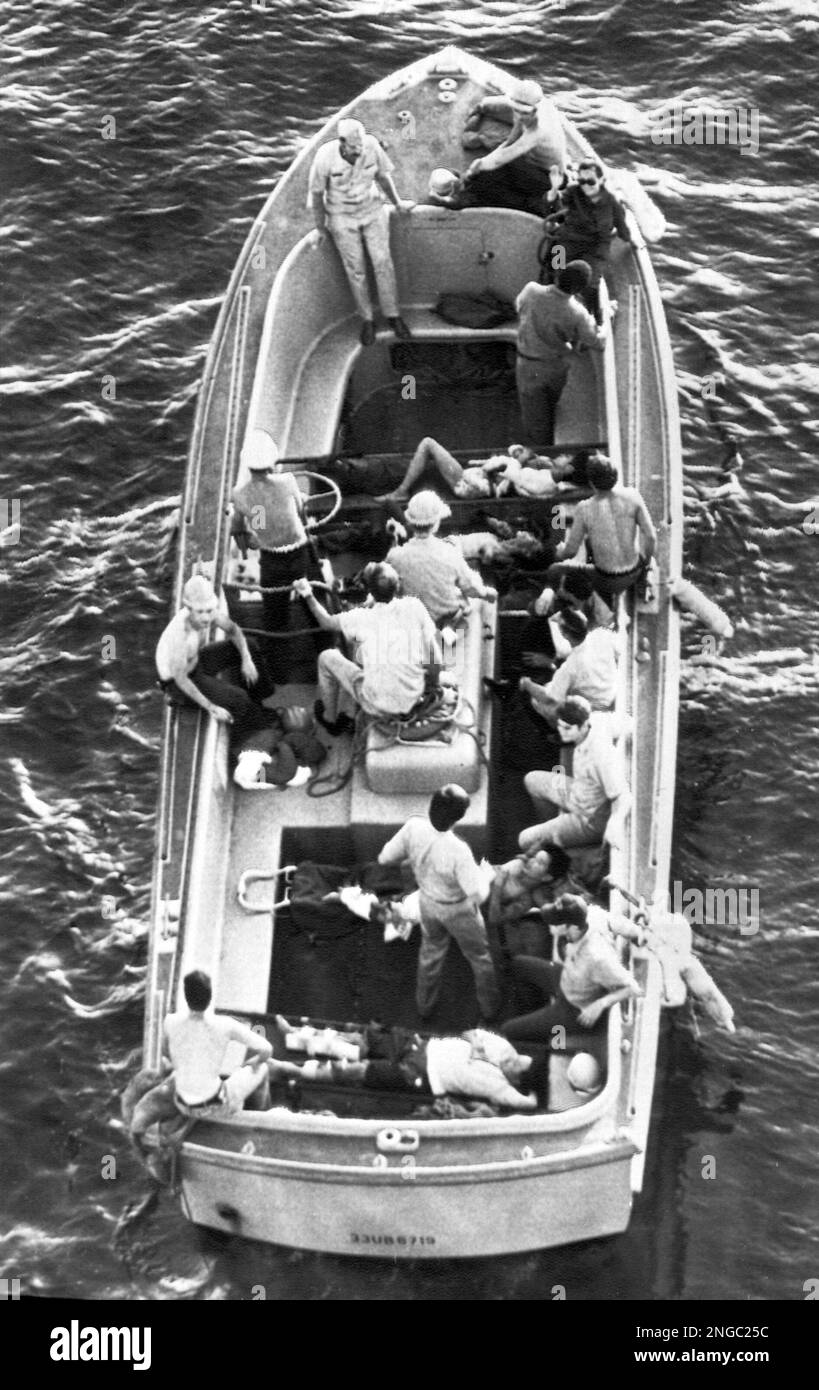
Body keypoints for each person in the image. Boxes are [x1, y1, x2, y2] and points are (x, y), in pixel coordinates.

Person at [378, 785, 501, 1022]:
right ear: (459, 817)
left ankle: (424, 1006)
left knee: (431, 952)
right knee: (479, 957)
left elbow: (386, 857)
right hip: (458, 910)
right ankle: (490, 1008)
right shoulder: (459, 850)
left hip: (428, 902)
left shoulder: (413, 826)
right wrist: (484, 874)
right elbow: (478, 895)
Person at [129, 970, 273, 1154]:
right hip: (217, 1105)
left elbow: (166, 1054)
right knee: (262, 1069)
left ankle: (145, 1149)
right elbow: (267, 1049)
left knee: (144, 1108)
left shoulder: (170, 1021)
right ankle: (261, 1123)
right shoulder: (226, 1024)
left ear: (186, 996)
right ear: (210, 996)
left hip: (181, 1102)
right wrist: (256, 1060)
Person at [270, 1016, 544, 1110]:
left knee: (357, 1071)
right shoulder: (503, 1048)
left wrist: (532, 1098)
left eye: (514, 1064)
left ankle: (291, 1070)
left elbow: (525, 1102)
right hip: (421, 1046)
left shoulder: (501, 1088)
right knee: (361, 1040)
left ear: (515, 1079)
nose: (510, 1057)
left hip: (422, 1074)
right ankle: (297, 1035)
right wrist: (476, 1045)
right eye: (515, 1055)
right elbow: (472, 1032)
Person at [294, 561, 439, 734]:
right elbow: (435, 660)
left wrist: (307, 594)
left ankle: (330, 719)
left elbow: (326, 622)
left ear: (370, 592)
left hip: (375, 705)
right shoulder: (414, 606)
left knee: (327, 657)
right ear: (397, 586)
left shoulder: (359, 617)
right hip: (413, 699)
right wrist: (432, 686)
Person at [308, 116, 413, 346]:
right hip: (341, 216)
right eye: (354, 147)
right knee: (356, 270)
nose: (359, 151)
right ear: (342, 142)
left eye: (361, 145)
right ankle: (367, 320)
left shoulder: (372, 146)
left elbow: (383, 177)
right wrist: (320, 228)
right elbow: (316, 195)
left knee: (383, 262)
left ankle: (393, 316)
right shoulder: (325, 158)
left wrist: (397, 203)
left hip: (372, 210)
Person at [155, 573, 276, 754]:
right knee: (239, 698)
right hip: (178, 684)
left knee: (249, 646)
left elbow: (233, 629)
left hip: (197, 663)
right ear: (189, 609)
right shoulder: (180, 636)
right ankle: (248, 739)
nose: (206, 618)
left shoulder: (209, 613)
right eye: (200, 612)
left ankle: (259, 703)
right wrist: (211, 707)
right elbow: (181, 679)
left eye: (209, 611)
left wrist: (246, 659)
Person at [230, 429, 325, 656]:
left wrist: (248, 546)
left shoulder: (240, 493)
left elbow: (239, 528)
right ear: (271, 461)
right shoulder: (288, 482)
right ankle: (325, 647)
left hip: (271, 561)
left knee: (274, 618)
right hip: (300, 555)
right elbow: (300, 512)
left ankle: (277, 665)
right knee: (315, 606)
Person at [501, 894, 642, 1042]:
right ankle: (531, 1008)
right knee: (518, 964)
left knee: (508, 1030)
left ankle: (543, 1051)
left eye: (555, 923)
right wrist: (637, 933)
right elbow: (617, 922)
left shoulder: (597, 957)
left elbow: (633, 988)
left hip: (575, 1009)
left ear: (573, 927)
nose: (549, 925)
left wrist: (599, 1005)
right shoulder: (592, 914)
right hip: (566, 980)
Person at [519, 695, 631, 852]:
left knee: (525, 839)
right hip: (576, 792)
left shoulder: (602, 757)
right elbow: (626, 724)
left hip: (590, 820)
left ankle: (553, 850)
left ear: (583, 725)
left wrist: (615, 823)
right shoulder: (597, 720)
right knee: (531, 780)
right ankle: (554, 829)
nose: (561, 732)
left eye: (567, 728)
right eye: (560, 726)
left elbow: (623, 796)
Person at [515, 260, 607, 447]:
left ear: (558, 276)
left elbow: (518, 306)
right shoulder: (577, 313)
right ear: (579, 289)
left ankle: (540, 451)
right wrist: (606, 322)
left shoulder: (531, 290)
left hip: (527, 365)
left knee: (535, 418)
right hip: (556, 366)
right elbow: (596, 341)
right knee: (552, 402)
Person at [553, 452, 656, 606]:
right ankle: (647, 578)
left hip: (604, 579)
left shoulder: (584, 508)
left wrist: (559, 551)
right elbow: (651, 537)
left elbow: (570, 552)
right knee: (648, 556)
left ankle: (570, 599)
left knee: (556, 567)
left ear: (592, 482)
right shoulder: (633, 496)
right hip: (635, 572)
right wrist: (646, 565)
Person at [386, 489, 496, 624]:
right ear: (436, 523)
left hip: (413, 623)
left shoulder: (394, 556)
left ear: (410, 522)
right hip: (447, 622)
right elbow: (471, 588)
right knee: (479, 604)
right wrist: (486, 592)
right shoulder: (450, 552)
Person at [462, 79, 567, 215]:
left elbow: (500, 159)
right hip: (532, 163)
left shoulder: (539, 129)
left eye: (523, 112)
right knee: (491, 165)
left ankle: (530, 204)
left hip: (549, 177)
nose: (519, 115)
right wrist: (483, 106)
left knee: (486, 179)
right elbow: (510, 142)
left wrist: (475, 168)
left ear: (535, 109)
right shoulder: (528, 111)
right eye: (516, 110)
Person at [545, 160, 633, 317]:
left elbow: (622, 228)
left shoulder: (612, 203)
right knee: (556, 272)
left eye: (591, 181)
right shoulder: (572, 192)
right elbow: (553, 211)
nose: (585, 186)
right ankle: (551, 309)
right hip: (567, 241)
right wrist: (553, 190)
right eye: (582, 181)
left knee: (591, 283)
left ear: (601, 180)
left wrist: (630, 241)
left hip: (595, 247)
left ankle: (595, 315)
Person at [378, 436, 556, 504]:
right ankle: (401, 486)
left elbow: (492, 486)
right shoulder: (519, 467)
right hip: (472, 476)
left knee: (427, 444)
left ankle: (401, 491)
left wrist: (480, 471)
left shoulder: (519, 476)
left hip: (465, 483)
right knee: (429, 453)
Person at [519, 607, 619, 724]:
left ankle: (554, 735)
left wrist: (527, 683)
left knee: (540, 702)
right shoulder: (602, 634)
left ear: (565, 635)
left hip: (598, 707)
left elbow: (550, 697)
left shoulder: (569, 668)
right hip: (613, 689)